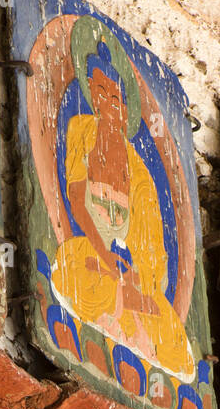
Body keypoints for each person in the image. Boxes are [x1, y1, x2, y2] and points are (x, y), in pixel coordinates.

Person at [51, 41, 195, 381]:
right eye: (99, 92)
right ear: (91, 95)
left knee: (171, 338)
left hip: (130, 265)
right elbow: (75, 199)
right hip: (92, 251)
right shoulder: (81, 131)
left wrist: (137, 275)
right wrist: (104, 256)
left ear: (126, 108)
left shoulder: (139, 169)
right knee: (81, 283)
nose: (107, 103)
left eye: (115, 98)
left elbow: (150, 239)